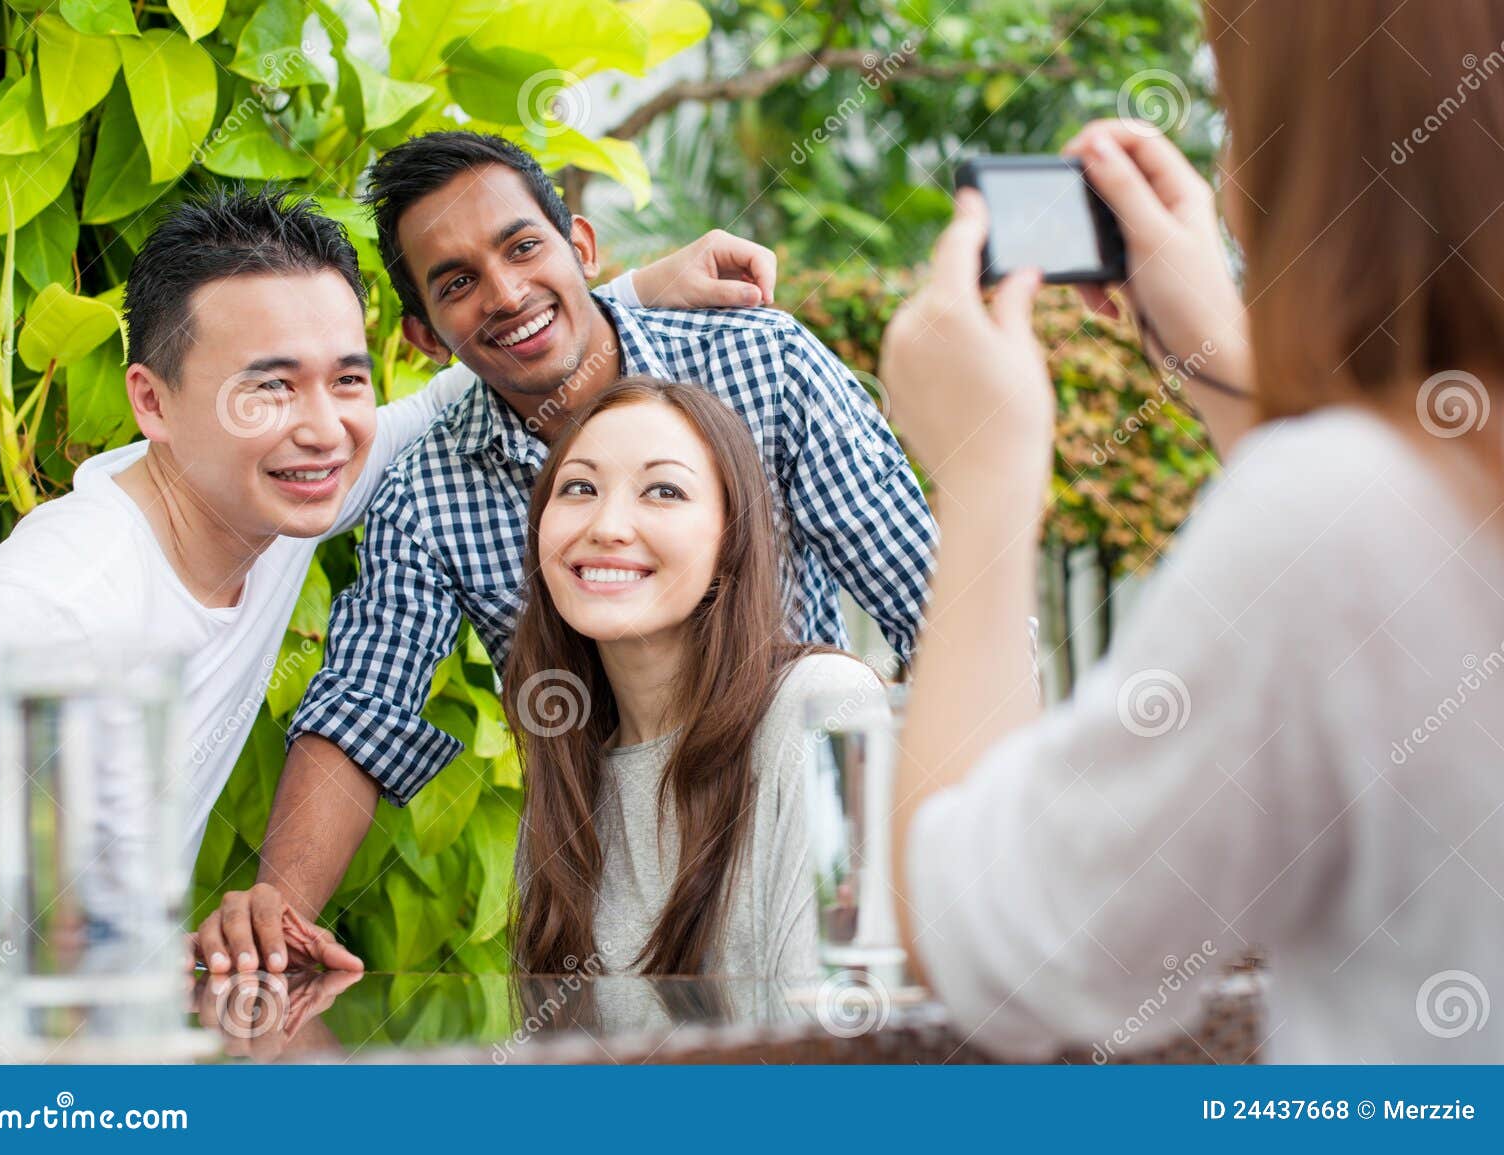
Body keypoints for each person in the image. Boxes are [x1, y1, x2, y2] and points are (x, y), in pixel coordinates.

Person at [0, 186, 783, 945]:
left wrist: (636, 287)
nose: (325, 428)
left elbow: (450, 392)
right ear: (151, 401)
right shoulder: (56, 601)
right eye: (270, 386)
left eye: (348, 380)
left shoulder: (277, 498)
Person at [885, 0, 1504, 1063]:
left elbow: (1009, 950)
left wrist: (985, 479)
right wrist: (1224, 369)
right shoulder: (1366, 501)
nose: (1229, 175)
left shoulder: (1338, 515)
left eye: (1240, 117)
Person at [196, 132, 938, 973]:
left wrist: (996, 866)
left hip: (795, 822)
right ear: (425, 335)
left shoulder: (763, 362)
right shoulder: (431, 488)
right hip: (598, 871)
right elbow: (365, 709)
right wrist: (277, 913)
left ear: (580, 247)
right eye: (457, 283)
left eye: (522, 247)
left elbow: (934, 610)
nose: (506, 294)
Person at [505, 376, 881, 981]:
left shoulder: (823, 705)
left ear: (731, 539)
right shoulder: (567, 768)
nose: (607, 525)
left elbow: (832, 1040)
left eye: (663, 490)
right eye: (579, 487)